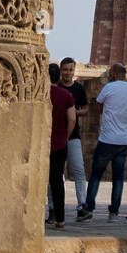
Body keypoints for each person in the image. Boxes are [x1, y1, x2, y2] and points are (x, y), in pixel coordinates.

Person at [80, 63, 127, 221]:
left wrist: (110, 113)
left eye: (111, 73)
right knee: (118, 178)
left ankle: (89, 208)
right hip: (124, 142)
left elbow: (98, 107)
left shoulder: (108, 88)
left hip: (107, 140)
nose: (109, 75)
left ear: (115, 74)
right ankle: (114, 212)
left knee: (96, 175)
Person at [59, 56, 89, 218]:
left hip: (73, 136)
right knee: (56, 174)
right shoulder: (56, 87)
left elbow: (85, 109)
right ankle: (53, 207)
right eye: (65, 69)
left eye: (70, 70)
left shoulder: (78, 89)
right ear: (61, 71)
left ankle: (82, 206)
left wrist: (75, 112)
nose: (68, 73)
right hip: (57, 136)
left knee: (79, 170)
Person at [47, 62, 76, 228]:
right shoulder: (66, 95)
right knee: (57, 181)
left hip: (41, 143)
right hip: (59, 143)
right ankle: (60, 219)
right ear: (58, 77)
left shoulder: (38, 94)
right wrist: (65, 136)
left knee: (39, 181)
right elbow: (72, 119)